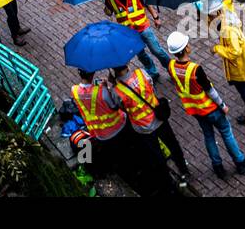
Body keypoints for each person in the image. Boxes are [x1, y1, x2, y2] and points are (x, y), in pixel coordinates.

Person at [165, 30, 245, 180]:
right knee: (226, 133)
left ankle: (218, 167)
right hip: (211, 109)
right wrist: (223, 105)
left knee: (209, 137)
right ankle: (240, 162)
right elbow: (210, 91)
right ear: (186, 48)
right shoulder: (195, 69)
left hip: (195, 111)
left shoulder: (171, 66)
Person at [71, 69, 173, 197]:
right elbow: (114, 105)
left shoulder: (74, 90)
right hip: (119, 128)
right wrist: (106, 87)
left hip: (101, 135)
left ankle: (135, 183)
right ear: (92, 73)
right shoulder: (101, 91)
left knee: (121, 161)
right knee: (133, 154)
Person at [111, 60, 190, 188]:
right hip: (158, 117)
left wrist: (115, 84)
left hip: (143, 127)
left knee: (157, 154)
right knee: (172, 143)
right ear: (126, 63)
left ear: (114, 71)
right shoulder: (141, 73)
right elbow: (151, 88)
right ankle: (183, 168)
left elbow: (121, 107)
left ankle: (169, 181)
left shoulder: (117, 91)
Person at [103, 0, 171, 79]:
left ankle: (170, 68)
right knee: (141, 55)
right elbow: (109, 13)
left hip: (143, 27)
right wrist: (106, 8)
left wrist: (155, 17)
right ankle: (152, 71)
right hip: (128, 33)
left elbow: (146, 3)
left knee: (156, 50)